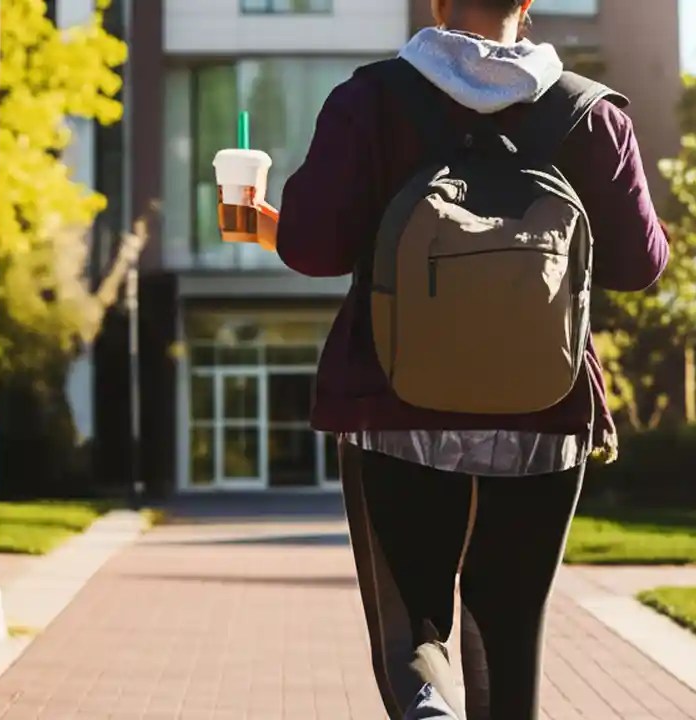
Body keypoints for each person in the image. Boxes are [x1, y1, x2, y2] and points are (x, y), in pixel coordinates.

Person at [256, 0, 669, 716]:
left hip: (393, 404)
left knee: (412, 636)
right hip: (545, 411)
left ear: (438, 2)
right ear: (527, 5)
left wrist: (269, 221)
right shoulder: (592, 115)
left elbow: (313, 249)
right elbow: (639, 264)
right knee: (509, 640)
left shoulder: (370, 101)